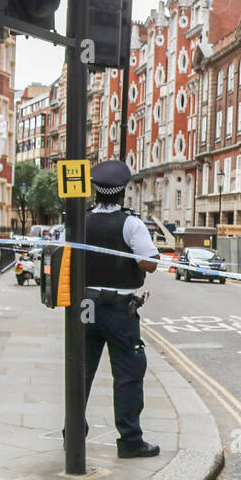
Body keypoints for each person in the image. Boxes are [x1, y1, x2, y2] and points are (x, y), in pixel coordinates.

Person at [77, 158, 161, 458]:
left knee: (80, 370)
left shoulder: (80, 220)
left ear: (95, 191)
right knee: (127, 372)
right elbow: (148, 263)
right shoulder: (131, 223)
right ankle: (130, 440)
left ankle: (72, 433)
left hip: (84, 304)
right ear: (122, 191)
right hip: (119, 309)